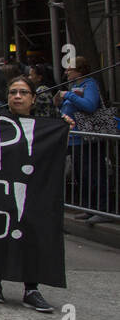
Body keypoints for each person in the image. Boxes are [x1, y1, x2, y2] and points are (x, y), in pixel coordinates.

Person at [0, 75, 60, 312]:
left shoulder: (46, 127)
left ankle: (32, 289)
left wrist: (66, 128)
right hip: (1, 190)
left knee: (32, 237)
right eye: (13, 92)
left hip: (33, 193)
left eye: (23, 92)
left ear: (33, 98)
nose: (17, 96)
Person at [56, 56, 112, 222]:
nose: (66, 72)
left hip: (89, 138)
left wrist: (68, 96)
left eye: (70, 69)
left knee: (94, 173)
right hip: (77, 138)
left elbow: (89, 105)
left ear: (80, 70)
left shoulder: (89, 84)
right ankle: (89, 207)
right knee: (82, 175)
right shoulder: (76, 86)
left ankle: (102, 209)